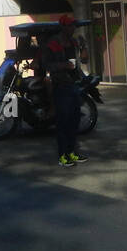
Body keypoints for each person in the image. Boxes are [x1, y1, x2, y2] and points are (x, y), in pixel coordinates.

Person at [44, 14, 87, 167]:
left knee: (75, 121)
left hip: (74, 85)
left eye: (73, 25)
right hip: (61, 87)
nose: (72, 28)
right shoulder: (53, 43)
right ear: (63, 27)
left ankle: (72, 152)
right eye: (69, 25)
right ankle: (62, 155)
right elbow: (47, 65)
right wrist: (64, 65)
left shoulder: (74, 42)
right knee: (63, 122)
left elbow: (84, 60)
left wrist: (83, 47)